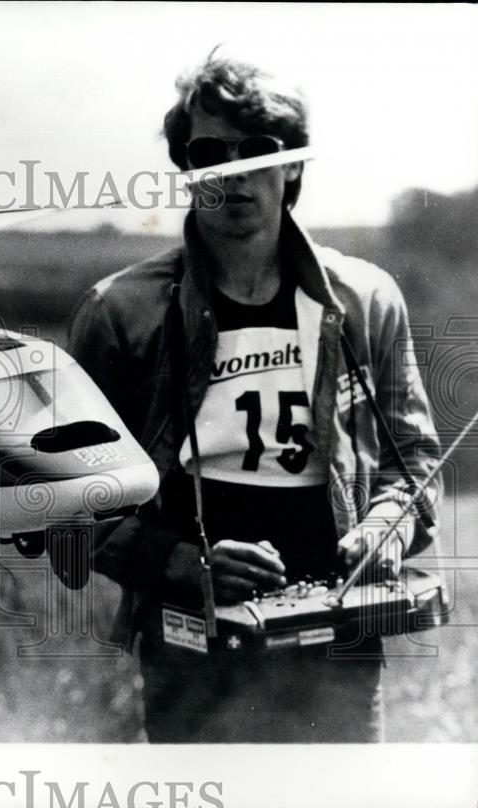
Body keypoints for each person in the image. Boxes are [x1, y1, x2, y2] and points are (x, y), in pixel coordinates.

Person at [68, 53, 441, 743]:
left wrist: (385, 527)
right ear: (187, 166)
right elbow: (64, 507)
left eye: (259, 150)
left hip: (340, 639)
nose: (234, 173)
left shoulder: (365, 300)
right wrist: (184, 564)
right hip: (194, 646)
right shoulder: (121, 314)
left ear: (294, 163)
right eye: (211, 153)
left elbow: (414, 459)